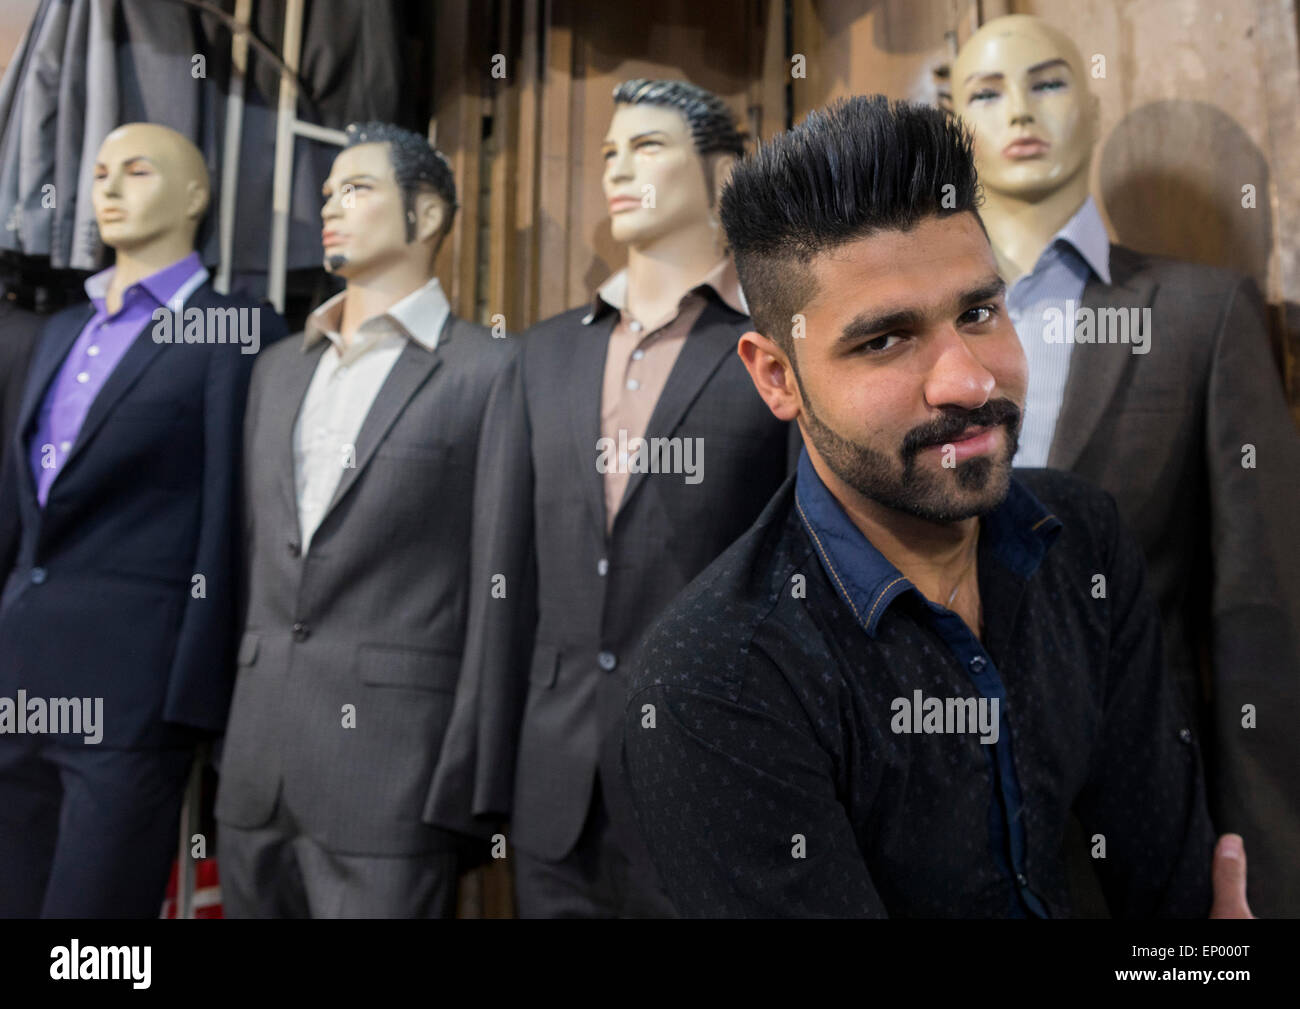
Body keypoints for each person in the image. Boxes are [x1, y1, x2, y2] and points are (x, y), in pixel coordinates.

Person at [622, 95, 1253, 918]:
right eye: (884, 339)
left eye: (979, 312)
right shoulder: (717, 681)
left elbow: (1175, 906)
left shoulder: (1081, 542)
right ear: (777, 376)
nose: (971, 380)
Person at [952, 14, 1300, 916]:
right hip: (929, 820)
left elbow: (1259, 617)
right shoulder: (905, 334)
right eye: (985, 92)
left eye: (1049, 80)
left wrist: (1263, 866)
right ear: (956, 125)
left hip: (1142, 824)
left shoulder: (1202, 314)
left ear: (1095, 101)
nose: (1019, 108)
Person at [425, 79, 794, 917]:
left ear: (724, 174)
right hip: (554, 795)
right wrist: (485, 775)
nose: (618, 169)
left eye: (649, 147)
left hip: (717, 783)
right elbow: (503, 574)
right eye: (607, 154)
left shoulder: (773, 351)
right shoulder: (541, 356)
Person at [214, 122, 514, 918]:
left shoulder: (488, 372)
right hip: (253, 768)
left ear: (426, 216)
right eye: (327, 194)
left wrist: (466, 783)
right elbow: (252, 559)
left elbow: (497, 588)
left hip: (392, 775)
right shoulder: (277, 367)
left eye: (358, 189)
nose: (332, 207)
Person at [0, 123, 286, 917]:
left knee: (94, 934)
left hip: (134, 681)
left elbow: (234, 519)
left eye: (137, 171)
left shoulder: (233, 330)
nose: (110, 189)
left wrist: (197, 693)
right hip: (19, 668)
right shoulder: (61, 329)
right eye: (98, 174)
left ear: (196, 195)